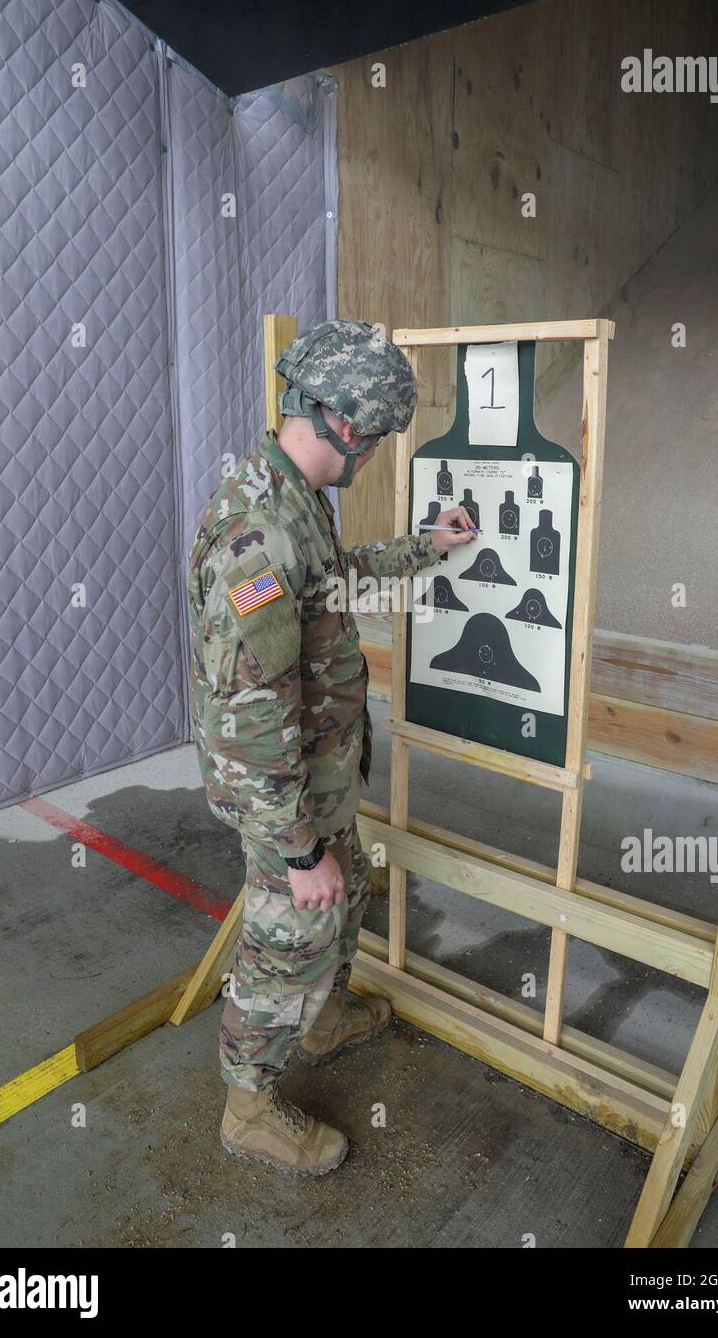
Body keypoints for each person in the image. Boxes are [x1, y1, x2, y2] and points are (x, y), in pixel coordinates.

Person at [187, 319, 474, 1175]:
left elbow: (335, 581)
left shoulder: (293, 495)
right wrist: (300, 848)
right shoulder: (259, 537)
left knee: (346, 901)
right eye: (380, 436)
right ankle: (249, 1107)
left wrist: (430, 545)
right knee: (287, 944)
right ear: (348, 427)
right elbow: (246, 724)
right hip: (287, 799)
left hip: (322, 779)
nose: (379, 451)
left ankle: (322, 1020)